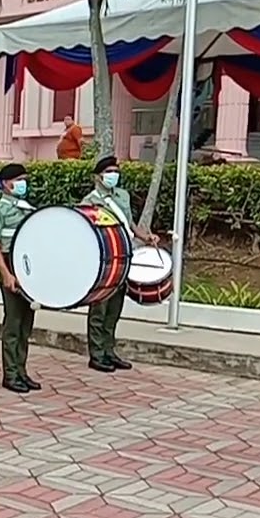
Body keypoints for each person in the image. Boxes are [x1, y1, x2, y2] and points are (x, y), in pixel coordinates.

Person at [82, 156, 160, 373]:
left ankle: (109, 350)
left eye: (115, 171)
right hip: (103, 259)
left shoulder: (122, 196)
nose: (113, 175)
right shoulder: (90, 201)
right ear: (97, 177)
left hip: (124, 256)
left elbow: (130, 223)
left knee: (114, 308)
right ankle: (96, 354)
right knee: (100, 307)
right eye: (108, 172)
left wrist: (146, 237)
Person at [0, 164, 40, 393]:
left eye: (24, 179)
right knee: (14, 322)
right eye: (18, 179)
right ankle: (10, 374)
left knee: (27, 322)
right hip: (10, 264)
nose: (22, 183)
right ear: (6, 183)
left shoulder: (28, 208)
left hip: (28, 267)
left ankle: (21, 370)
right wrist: (5, 273)